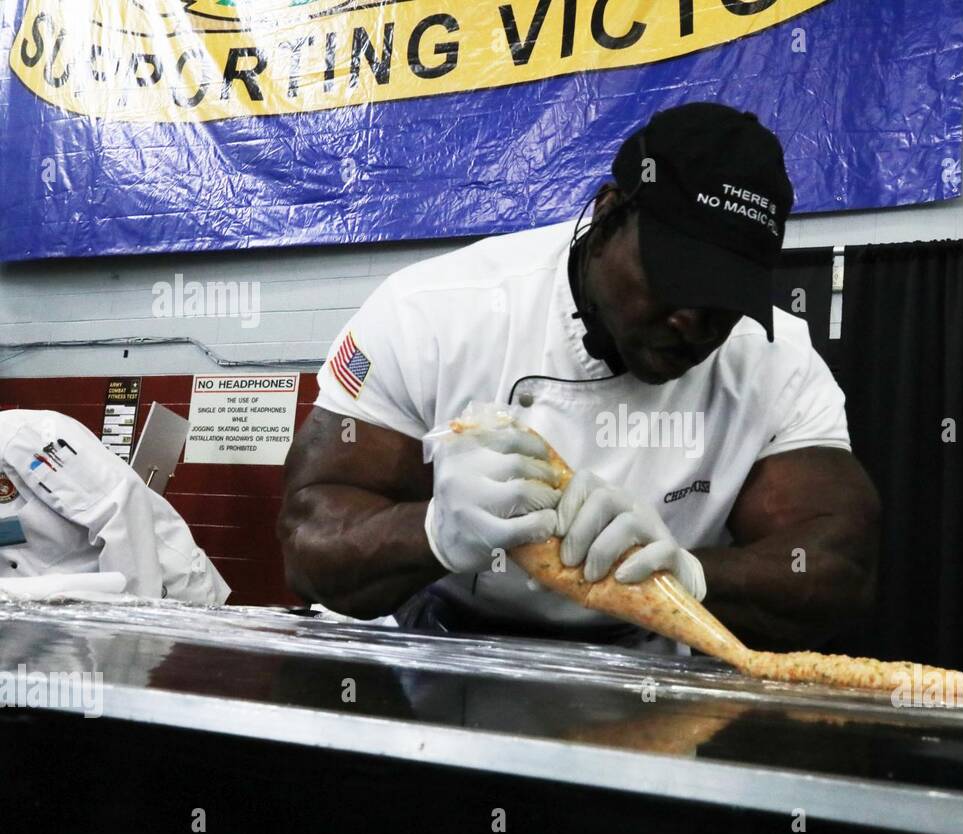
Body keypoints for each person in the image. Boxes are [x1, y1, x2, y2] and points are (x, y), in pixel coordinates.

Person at [279, 102, 879, 651]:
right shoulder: (434, 311)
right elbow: (309, 537)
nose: (690, 322)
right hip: (446, 644)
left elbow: (837, 565)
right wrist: (431, 532)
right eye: (673, 278)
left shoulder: (775, 360)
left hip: (649, 653)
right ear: (609, 215)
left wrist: (687, 576)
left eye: (722, 299)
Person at [0, 408, 230, 605]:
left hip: (161, 591)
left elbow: (118, 513)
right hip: (69, 602)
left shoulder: (23, 436)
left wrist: (131, 625)